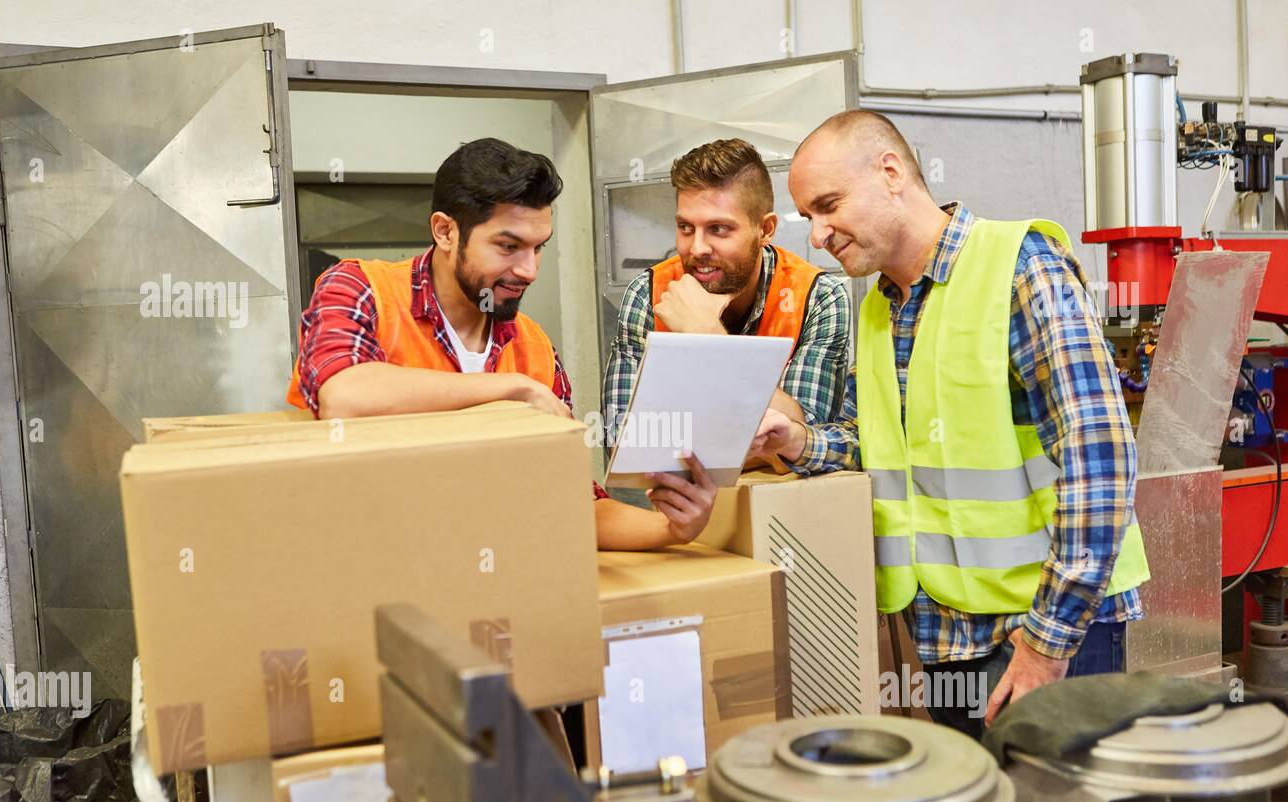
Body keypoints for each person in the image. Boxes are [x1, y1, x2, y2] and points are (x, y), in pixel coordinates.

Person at [752, 110, 1149, 738]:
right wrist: (799, 441)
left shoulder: (1022, 269)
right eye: (809, 218)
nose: (818, 236)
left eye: (828, 206)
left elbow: (1098, 461)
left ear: (889, 173)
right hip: (944, 638)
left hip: (1043, 631)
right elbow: (882, 448)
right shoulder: (881, 307)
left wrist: (1047, 644)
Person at [289, 137, 715, 550]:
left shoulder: (533, 347)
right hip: (358, 568)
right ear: (445, 231)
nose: (528, 270)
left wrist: (671, 529)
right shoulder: (360, 287)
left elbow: (571, 503)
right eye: (508, 246)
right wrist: (513, 390)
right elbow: (344, 397)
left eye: (538, 248)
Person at [602, 138, 850, 452]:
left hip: (780, 498)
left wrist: (707, 338)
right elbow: (624, 444)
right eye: (685, 227)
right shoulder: (648, 293)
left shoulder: (817, 296)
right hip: (675, 498)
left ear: (766, 229)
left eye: (718, 229)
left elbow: (801, 440)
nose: (697, 248)